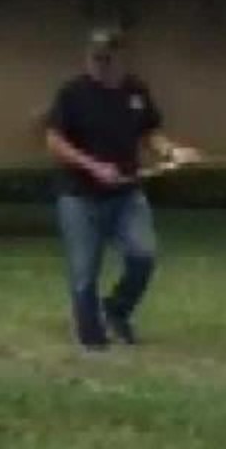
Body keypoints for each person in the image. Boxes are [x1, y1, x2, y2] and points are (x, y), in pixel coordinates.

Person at [42, 28, 183, 350]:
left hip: (126, 194)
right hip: (79, 196)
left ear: (121, 57)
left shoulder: (136, 91)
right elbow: (54, 141)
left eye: (108, 58)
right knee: (84, 273)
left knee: (143, 256)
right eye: (96, 57)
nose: (101, 64)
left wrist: (170, 150)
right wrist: (94, 167)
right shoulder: (72, 93)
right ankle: (92, 339)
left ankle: (116, 310)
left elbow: (150, 132)